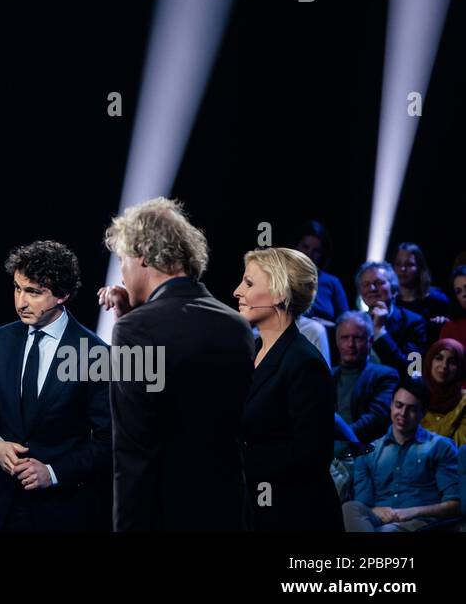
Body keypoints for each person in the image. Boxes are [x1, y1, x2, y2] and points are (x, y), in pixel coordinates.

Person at [98, 197, 254, 531]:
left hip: (165, 517)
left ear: (143, 256)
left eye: (123, 260)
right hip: (228, 512)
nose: (122, 275)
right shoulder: (237, 325)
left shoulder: (135, 329)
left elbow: (132, 451)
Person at [0, 241, 111, 532]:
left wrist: (53, 472)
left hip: (62, 511)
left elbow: (107, 440)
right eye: (17, 288)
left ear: (63, 294)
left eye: (33, 292)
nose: (20, 301)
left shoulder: (94, 353)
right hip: (1, 510)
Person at [233, 248, 342, 532]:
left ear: (280, 294)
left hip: (294, 517)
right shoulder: (251, 352)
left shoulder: (304, 363)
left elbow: (311, 455)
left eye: (248, 283)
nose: (236, 291)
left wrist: (236, 461)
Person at [343, 378, 461, 531]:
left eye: (412, 409)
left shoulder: (440, 447)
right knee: (349, 508)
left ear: (423, 413)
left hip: (422, 524)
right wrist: (374, 511)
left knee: (387, 530)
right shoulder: (368, 452)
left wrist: (413, 511)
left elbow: (455, 505)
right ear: (391, 405)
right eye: (399, 405)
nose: (403, 414)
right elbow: (363, 503)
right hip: (378, 522)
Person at [332, 311, 400, 444]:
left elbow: (376, 419)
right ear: (337, 341)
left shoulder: (385, 376)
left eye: (357, 338)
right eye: (345, 338)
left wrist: (340, 436)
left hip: (365, 450)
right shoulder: (327, 375)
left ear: (370, 341)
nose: (350, 344)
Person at [354, 260, 426, 369]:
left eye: (378, 283)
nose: (372, 289)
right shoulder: (355, 322)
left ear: (394, 290)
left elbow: (413, 369)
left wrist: (379, 331)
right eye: (366, 284)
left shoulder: (414, 322)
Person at [294, 221, 350, 323]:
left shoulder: (332, 282)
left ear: (322, 255)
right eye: (305, 247)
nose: (309, 254)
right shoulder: (281, 276)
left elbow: (347, 322)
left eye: (316, 251)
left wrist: (329, 325)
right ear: (296, 247)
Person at [392, 243, 452, 336]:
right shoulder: (391, 302)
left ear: (420, 267)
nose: (402, 269)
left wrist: (446, 324)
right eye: (398, 264)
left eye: (409, 264)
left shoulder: (437, 300)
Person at [422, 338, 466, 445]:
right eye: (438, 358)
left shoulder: (464, 401)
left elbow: (460, 445)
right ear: (429, 361)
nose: (444, 366)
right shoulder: (415, 395)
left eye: (452, 362)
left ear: (460, 367)